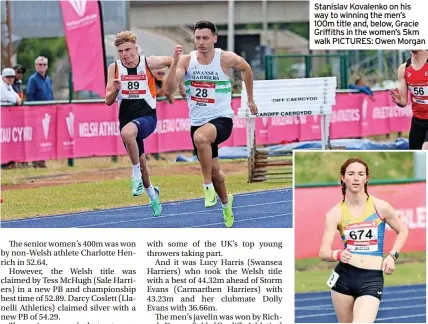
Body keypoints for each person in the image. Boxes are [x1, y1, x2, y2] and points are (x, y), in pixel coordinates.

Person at [165, 20, 258, 228]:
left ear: (215, 39)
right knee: (216, 173)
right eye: (197, 38)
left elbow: (246, 69)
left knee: (201, 138)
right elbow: (169, 90)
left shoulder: (225, 58)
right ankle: (226, 204)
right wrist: (174, 62)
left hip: (221, 119)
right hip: (197, 121)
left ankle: (206, 187)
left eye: (205, 38)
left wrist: (250, 98)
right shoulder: (187, 61)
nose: (201, 42)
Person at [319, 158, 408, 323]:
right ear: (343, 178)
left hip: (371, 278)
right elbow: (323, 252)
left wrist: (392, 256)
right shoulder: (335, 213)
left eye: (360, 174)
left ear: (366, 178)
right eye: (351, 174)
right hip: (344, 277)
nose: (355, 178)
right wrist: (337, 254)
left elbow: (402, 230)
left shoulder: (381, 207)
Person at [105, 31, 173, 217]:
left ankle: (134, 177)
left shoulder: (148, 63)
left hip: (147, 118)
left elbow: (172, 61)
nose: (125, 54)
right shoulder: (115, 68)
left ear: (136, 48)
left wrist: (173, 83)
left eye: (128, 50)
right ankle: (152, 194)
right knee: (143, 165)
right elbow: (108, 100)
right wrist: (115, 90)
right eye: (121, 51)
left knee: (127, 134)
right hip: (126, 120)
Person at [390, 50, 428, 149]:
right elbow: (404, 102)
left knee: (425, 147)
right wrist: (399, 101)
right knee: (415, 151)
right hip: (418, 120)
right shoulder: (404, 68)